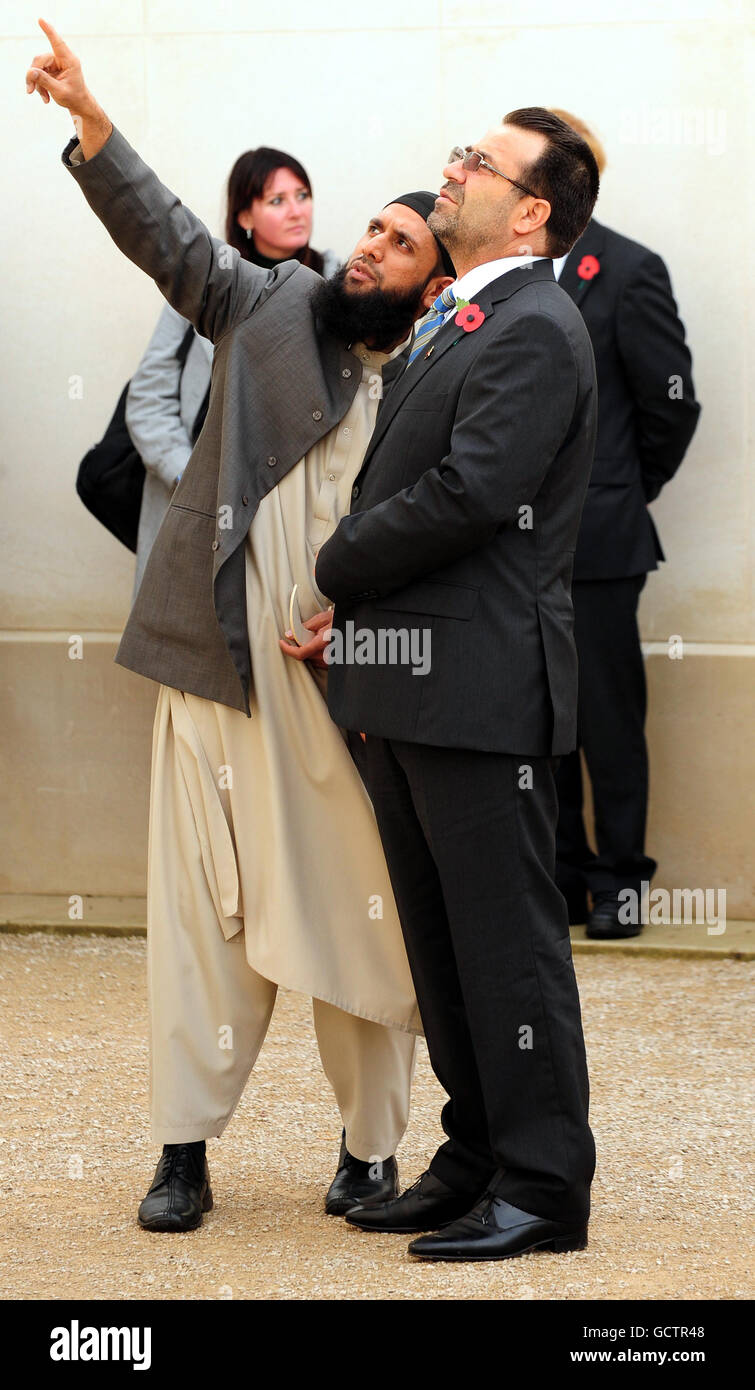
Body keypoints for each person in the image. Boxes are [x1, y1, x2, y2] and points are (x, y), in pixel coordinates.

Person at [25, 18, 455, 1232]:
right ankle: (181, 1153)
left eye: (394, 239)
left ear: (434, 279)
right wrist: (95, 126)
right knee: (196, 923)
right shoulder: (272, 305)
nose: (362, 245)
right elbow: (168, 239)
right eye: (363, 226)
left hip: (341, 704)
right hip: (217, 684)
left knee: (357, 926)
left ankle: (371, 1150)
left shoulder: (437, 382)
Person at [315, 110, 601, 1261]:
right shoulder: (472, 308)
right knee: (439, 944)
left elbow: (476, 490)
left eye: (478, 164)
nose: (453, 168)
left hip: (483, 688)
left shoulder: (536, 323)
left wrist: (338, 559)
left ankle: (540, 1183)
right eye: (460, 153)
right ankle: (475, 1152)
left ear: (532, 208)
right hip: (415, 683)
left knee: (504, 943)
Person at [544, 110, 701, 941]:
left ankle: (621, 882)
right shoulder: (512, 272)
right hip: (523, 547)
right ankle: (564, 876)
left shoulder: (630, 268)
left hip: (602, 544)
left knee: (607, 719)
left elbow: (670, 406)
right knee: (546, 722)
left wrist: (620, 490)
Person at [129, 148, 339, 598]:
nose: (297, 210)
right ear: (245, 214)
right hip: (205, 502)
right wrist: (191, 480)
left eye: (302, 195)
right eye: (277, 200)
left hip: (298, 508)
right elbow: (149, 398)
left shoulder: (338, 284)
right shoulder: (207, 285)